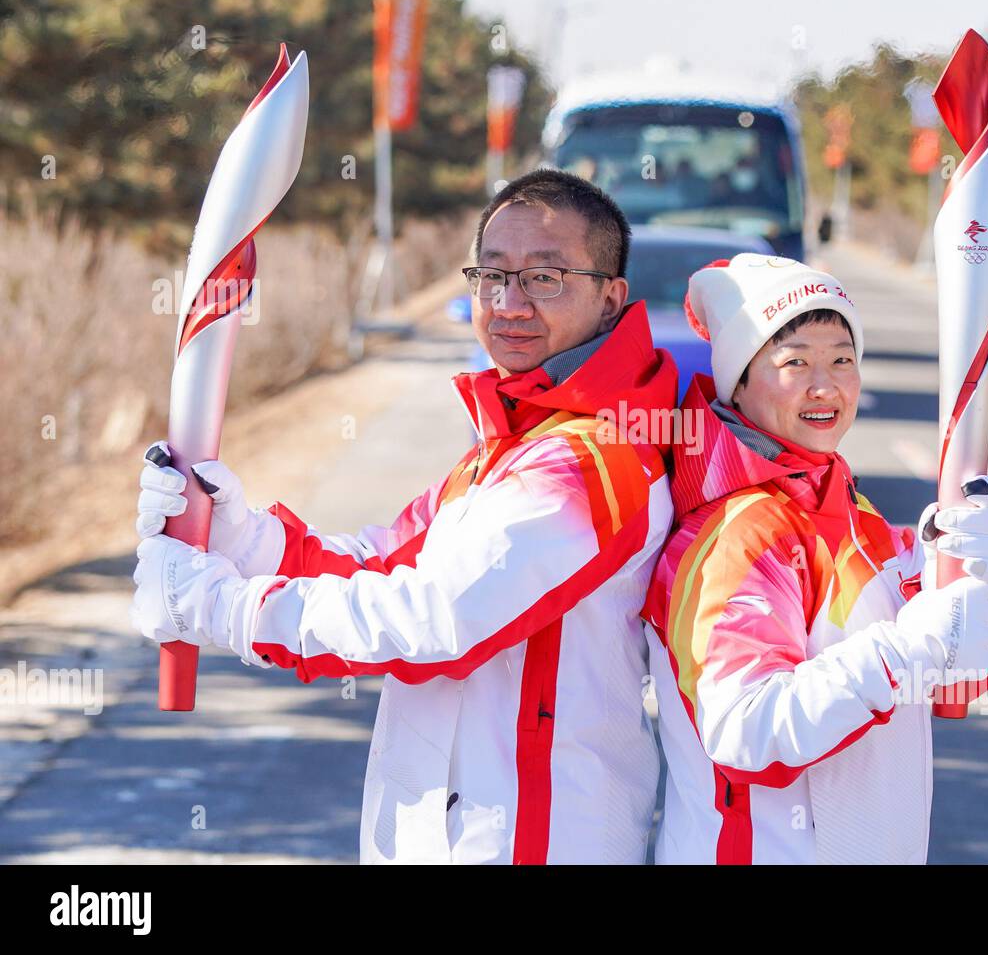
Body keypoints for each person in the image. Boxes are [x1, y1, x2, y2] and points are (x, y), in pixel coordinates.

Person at [131, 169, 678, 864]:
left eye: (546, 278)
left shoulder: (596, 458)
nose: (509, 302)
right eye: (492, 275)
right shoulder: (510, 446)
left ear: (610, 297)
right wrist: (238, 533)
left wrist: (220, 606)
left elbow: (431, 618)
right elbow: (379, 560)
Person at [640, 254, 988, 864]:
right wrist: (908, 647)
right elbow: (747, 732)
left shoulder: (856, 517)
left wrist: (981, 586)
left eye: (842, 358)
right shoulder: (734, 536)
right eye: (795, 362)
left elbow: (957, 681)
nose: (826, 385)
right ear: (739, 381)